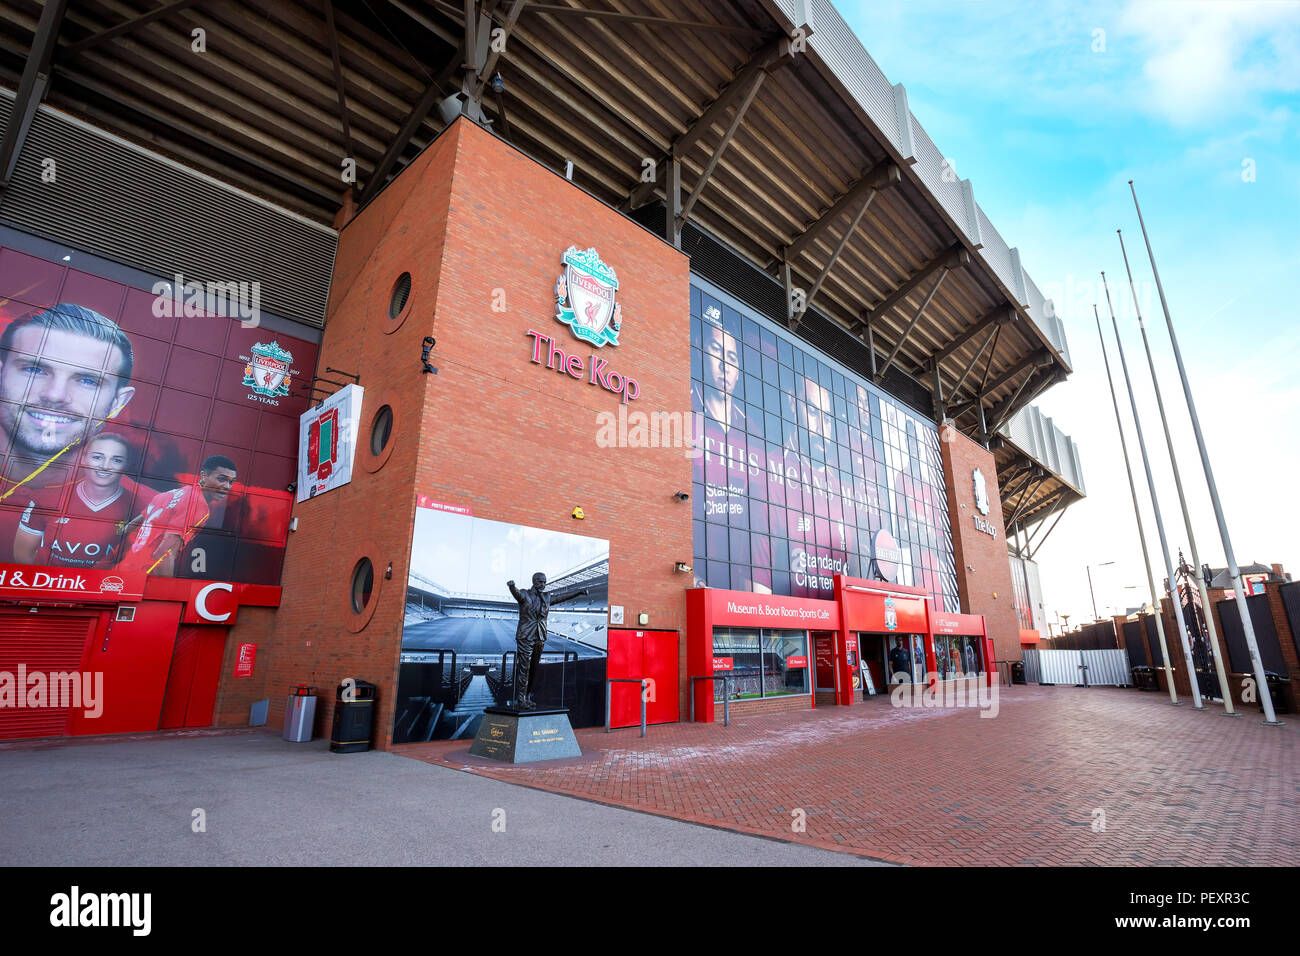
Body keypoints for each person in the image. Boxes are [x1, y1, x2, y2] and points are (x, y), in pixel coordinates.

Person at [0, 303, 136, 561]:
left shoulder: (139, 502)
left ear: (118, 402)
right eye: (34, 369)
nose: (55, 395)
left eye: (87, 381)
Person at [13, 433, 137, 568]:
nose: (105, 466)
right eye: (97, 457)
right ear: (83, 459)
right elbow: (23, 554)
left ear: (126, 465)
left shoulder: (140, 506)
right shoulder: (46, 499)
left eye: (116, 460)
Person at [116, 454, 238, 576]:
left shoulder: (171, 494)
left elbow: (129, 527)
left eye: (231, 482)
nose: (227, 487)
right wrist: (167, 591)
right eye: (221, 479)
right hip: (143, 577)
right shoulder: (198, 506)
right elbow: (163, 555)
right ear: (204, 476)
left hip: (124, 571)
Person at [506, 572, 589, 709]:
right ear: (534, 581)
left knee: (534, 668)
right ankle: (521, 699)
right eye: (540, 582)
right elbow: (517, 595)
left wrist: (578, 592)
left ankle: (528, 696)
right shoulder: (524, 594)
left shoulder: (547, 597)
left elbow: (562, 597)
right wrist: (512, 587)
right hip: (526, 635)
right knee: (524, 668)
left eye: (544, 582)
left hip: (540, 636)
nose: (543, 585)